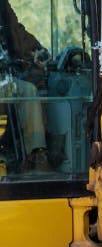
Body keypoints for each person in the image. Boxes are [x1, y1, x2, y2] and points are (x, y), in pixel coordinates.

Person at [0, 0, 49, 171]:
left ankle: (36, 152)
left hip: (4, 81)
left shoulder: (2, 8)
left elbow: (16, 32)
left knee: (28, 90)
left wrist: (38, 51)